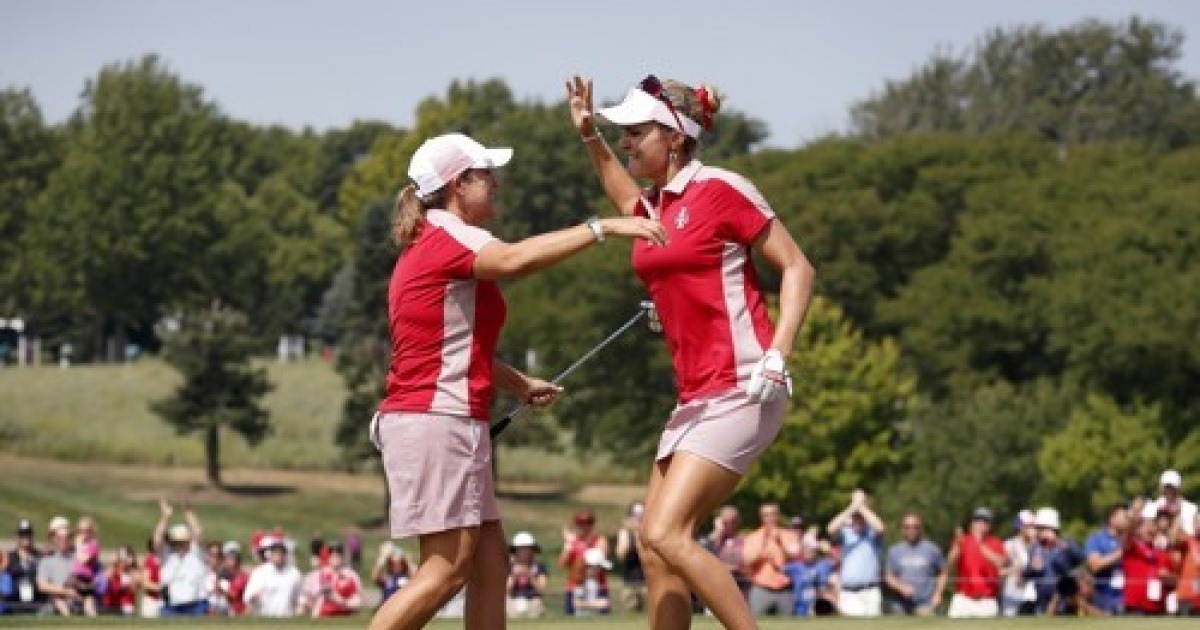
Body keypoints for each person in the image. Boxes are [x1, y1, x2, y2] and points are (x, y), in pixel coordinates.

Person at [368, 131, 664, 630]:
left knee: (488, 567)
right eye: (486, 174)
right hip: (437, 420)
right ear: (458, 184)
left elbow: (453, 348)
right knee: (445, 570)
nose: (496, 183)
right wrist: (604, 228)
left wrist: (518, 384)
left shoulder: (431, 240)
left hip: (439, 416)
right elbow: (514, 260)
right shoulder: (449, 236)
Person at [567, 74, 815, 630]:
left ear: (674, 136)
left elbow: (798, 267)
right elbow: (620, 192)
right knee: (653, 547)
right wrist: (590, 138)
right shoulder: (652, 206)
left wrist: (780, 353)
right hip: (695, 398)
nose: (627, 142)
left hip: (745, 387)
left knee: (665, 534)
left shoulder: (723, 189)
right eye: (623, 135)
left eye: (636, 132)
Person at [827, 489, 886, 616]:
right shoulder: (845, 533)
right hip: (849, 593)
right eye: (855, 517)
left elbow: (881, 527)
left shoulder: (872, 533)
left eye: (861, 517)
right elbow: (830, 528)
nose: (858, 520)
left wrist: (861, 506)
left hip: (870, 591)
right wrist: (853, 506)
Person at [947, 507, 1007, 617]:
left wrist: (980, 544)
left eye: (985, 521)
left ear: (990, 524)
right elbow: (949, 565)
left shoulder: (996, 543)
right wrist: (957, 546)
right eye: (978, 520)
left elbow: (1000, 563)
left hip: (987, 600)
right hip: (964, 599)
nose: (981, 523)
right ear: (972, 523)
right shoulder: (963, 540)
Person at [153, 500, 210, 616]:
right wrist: (165, 517)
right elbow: (157, 539)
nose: (179, 545)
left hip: (196, 604)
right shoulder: (167, 555)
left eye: (182, 542)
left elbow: (199, 533)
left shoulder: (196, 553)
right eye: (175, 542)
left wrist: (188, 513)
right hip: (171, 606)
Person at [884, 512, 946, 615]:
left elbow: (942, 573)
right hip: (900, 604)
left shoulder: (932, 549)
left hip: (926, 603)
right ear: (902, 529)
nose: (911, 530)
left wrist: (938, 594)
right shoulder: (894, 551)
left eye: (915, 527)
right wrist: (900, 587)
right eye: (907, 527)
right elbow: (888, 576)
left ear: (921, 528)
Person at [742, 502, 799, 616]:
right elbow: (747, 560)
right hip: (761, 588)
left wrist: (780, 542)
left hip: (785, 589)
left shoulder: (789, 535)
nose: (770, 518)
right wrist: (764, 545)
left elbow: (796, 555)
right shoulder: (753, 537)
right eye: (766, 515)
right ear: (761, 517)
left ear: (778, 516)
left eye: (773, 514)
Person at [1024, 506, 1083, 614]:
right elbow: (1026, 573)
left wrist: (1063, 546)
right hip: (1042, 601)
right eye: (1038, 528)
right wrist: (1032, 569)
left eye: (1041, 528)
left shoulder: (1066, 543)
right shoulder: (1035, 547)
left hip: (1064, 600)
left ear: (1052, 528)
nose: (1038, 532)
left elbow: (1079, 558)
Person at [560, 510, 610, 615]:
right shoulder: (572, 542)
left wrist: (577, 544)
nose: (585, 527)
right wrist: (570, 545)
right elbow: (562, 563)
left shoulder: (600, 540)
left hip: (598, 584)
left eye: (588, 523)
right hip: (575, 585)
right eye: (581, 524)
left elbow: (598, 557)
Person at [1084, 503, 1129, 615]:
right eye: (1124, 517)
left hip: (1127, 599)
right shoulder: (1096, 539)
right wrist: (1122, 552)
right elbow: (1095, 565)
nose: (1127, 520)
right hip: (1103, 598)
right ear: (1112, 518)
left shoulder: (1130, 540)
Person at [36, 516, 85, 616]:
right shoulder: (47, 559)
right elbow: (42, 585)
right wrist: (66, 591)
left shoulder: (80, 555)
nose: (62, 540)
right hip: (55, 603)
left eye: (65, 537)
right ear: (53, 538)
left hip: (78, 601)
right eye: (58, 537)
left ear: (70, 537)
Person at [301, 540, 362, 617]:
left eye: (338, 552)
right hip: (321, 616)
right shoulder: (317, 575)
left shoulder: (351, 576)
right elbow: (308, 600)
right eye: (331, 552)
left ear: (343, 555)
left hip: (343, 617)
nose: (335, 554)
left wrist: (339, 600)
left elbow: (357, 603)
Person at [243, 540, 303, 617]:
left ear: (285, 554)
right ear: (270, 554)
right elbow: (247, 597)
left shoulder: (295, 574)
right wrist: (254, 596)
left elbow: (301, 599)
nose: (278, 555)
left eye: (281, 553)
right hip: (264, 619)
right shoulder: (259, 573)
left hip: (286, 619)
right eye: (275, 552)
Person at [702, 505, 749, 597]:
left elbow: (744, 563)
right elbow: (704, 556)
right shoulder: (711, 540)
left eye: (733, 521)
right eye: (725, 522)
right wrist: (718, 532)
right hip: (716, 583)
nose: (729, 525)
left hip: (738, 583)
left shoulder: (743, 540)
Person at [782, 536, 834, 617]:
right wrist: (789, 553)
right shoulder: (795, 567)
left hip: (819, 607)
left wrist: (826, 548)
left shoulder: (824, 565)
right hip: (800, 606)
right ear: (802, 551)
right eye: (806, 549)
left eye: (811, 549)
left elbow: (837, 561)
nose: (808, 552)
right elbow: (779, 568)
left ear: (816, 550)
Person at [1000, 509, 1036, 616]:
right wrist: (1015, 569)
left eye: (1033, 526)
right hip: (1012, 594)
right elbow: (999, 572)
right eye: (1029, 526)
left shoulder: (1038, 546)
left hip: (1032, 595)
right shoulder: (1009, 545)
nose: (1032, 529)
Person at [5, 518, 43, 615]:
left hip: (37, 601)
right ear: (16, 537)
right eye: (22, 535)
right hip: (14, 601)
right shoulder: (9, 557)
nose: (26, 537)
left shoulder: (39, 555)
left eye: (28, 534)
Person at [506, 531, 547, 618]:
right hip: (513, 599)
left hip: (532, 599)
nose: (524, 552)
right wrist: (514, 576)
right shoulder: (509, 567)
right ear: (515, 551)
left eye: (527, 549)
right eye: (521, 549)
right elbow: (506, 590)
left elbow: (542, 589)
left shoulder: (539, 567)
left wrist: (530, 575)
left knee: (536, 604)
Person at [615, 501, 647, 611]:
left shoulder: (652, 533)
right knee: (629, 612)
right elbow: (620, 555)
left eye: (642, 514)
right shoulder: (625, 533)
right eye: (635, 515)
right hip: (630, 581)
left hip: (649, 583)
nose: (638, 518)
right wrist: (628, 536)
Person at [66, 516, 100, 617]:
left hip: (85, 578)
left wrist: (78, 545)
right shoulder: (80, 544)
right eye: (80, 531)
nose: (83, 533)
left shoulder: (93, 544)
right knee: (70, 598)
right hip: (76, 576)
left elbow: (83, 559)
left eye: (86, 530)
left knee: (88, 604)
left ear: (91, 531)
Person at [1152, 469, 1198, 537]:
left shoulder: (1191, 508)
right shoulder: (1154, 506)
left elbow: (1195, 532)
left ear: (1178, 487)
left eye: (1172, 487)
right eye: (1167, 487)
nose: (1169, 490)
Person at [212, 541, 250, 616]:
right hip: (220, 611)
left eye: (233, 557)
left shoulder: (242, 576)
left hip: (238, 613)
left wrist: (220, 589)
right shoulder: (221, 574)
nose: (231, 560)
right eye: (228, 557)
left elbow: (233, 596)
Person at [571, 548, 612, 616]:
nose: (600, 570)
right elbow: (577, 603)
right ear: (590, 566)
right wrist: (597, 604)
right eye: (598, 567)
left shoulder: (593, 580)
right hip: (583, 618)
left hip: (593, 617)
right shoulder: (581, 580)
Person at [99, 545, 138, 615]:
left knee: (129, 609)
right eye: (123, 557)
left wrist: (130, 575)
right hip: (110, 605)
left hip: (126, 607)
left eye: (129, 556)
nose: (125, 560)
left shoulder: (133, 573)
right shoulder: (113, 569)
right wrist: (114, 563)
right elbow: (106, 578)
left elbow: (133, 588)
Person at [372, 541, 412, 606]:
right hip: (388, 609)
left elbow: (415, 575)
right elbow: (375, 576)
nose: (396, 565)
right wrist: (382, 558)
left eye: (399, 563)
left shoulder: (407, 578)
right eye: (392, 563)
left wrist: (408, 561)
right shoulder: (387, 578)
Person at [1177, 511, 1200, 615]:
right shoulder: (1188, 540)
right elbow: (1174, 539)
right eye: (1197, 521)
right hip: (1187, 596)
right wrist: (1177, 518)